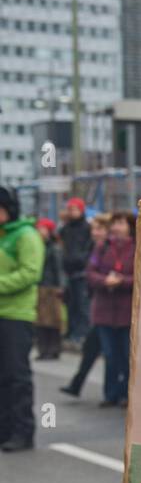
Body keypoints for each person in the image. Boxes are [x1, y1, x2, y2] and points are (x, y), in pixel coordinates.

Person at [0, 186, 44, 452]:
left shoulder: (26, 235)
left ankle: (23, 431)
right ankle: (4, 429)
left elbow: (30, 273)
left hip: (16, 314)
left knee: (16, 376)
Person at [85, 211, 134, 408]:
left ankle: (126, 392)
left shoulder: (139, 247)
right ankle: (110, 393)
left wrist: (122, 281)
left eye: (121, 223)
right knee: (110, 355)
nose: (116, 228)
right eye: (114, 223)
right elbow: (90, 273)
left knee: (127, 355)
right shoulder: (102, 247)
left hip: (127, 312)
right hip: (104, 311)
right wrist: (105, 281)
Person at [59, 214, 108, 399]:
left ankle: (115, 391)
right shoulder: (94, 248)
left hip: (107, 308)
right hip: (97, 304)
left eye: (98, 229)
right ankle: (76, 384)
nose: (94, 232)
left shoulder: (107, 249)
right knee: (91, 348)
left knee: (113, 353)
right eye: (93, 228)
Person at [58, 196, 92, 347]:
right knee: (70, 304)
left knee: (82, 305)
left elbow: (88, 248)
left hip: (81, 271)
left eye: (74, 209)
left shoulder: (86, 227)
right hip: (69, 271)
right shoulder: (66, 228)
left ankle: (82, 334)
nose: (71, 212)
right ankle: (71, 332)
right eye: (69, 209)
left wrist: (81, 259)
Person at [33, 218, 63, 360]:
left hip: (51, 287)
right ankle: (43, 349)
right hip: (40, 286)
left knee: (52, 320)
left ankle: (53, 349)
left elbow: (59, 269)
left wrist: (60, 286)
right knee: (40, 320)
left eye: (42, 229)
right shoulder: (37, 246)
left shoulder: (54, 248)